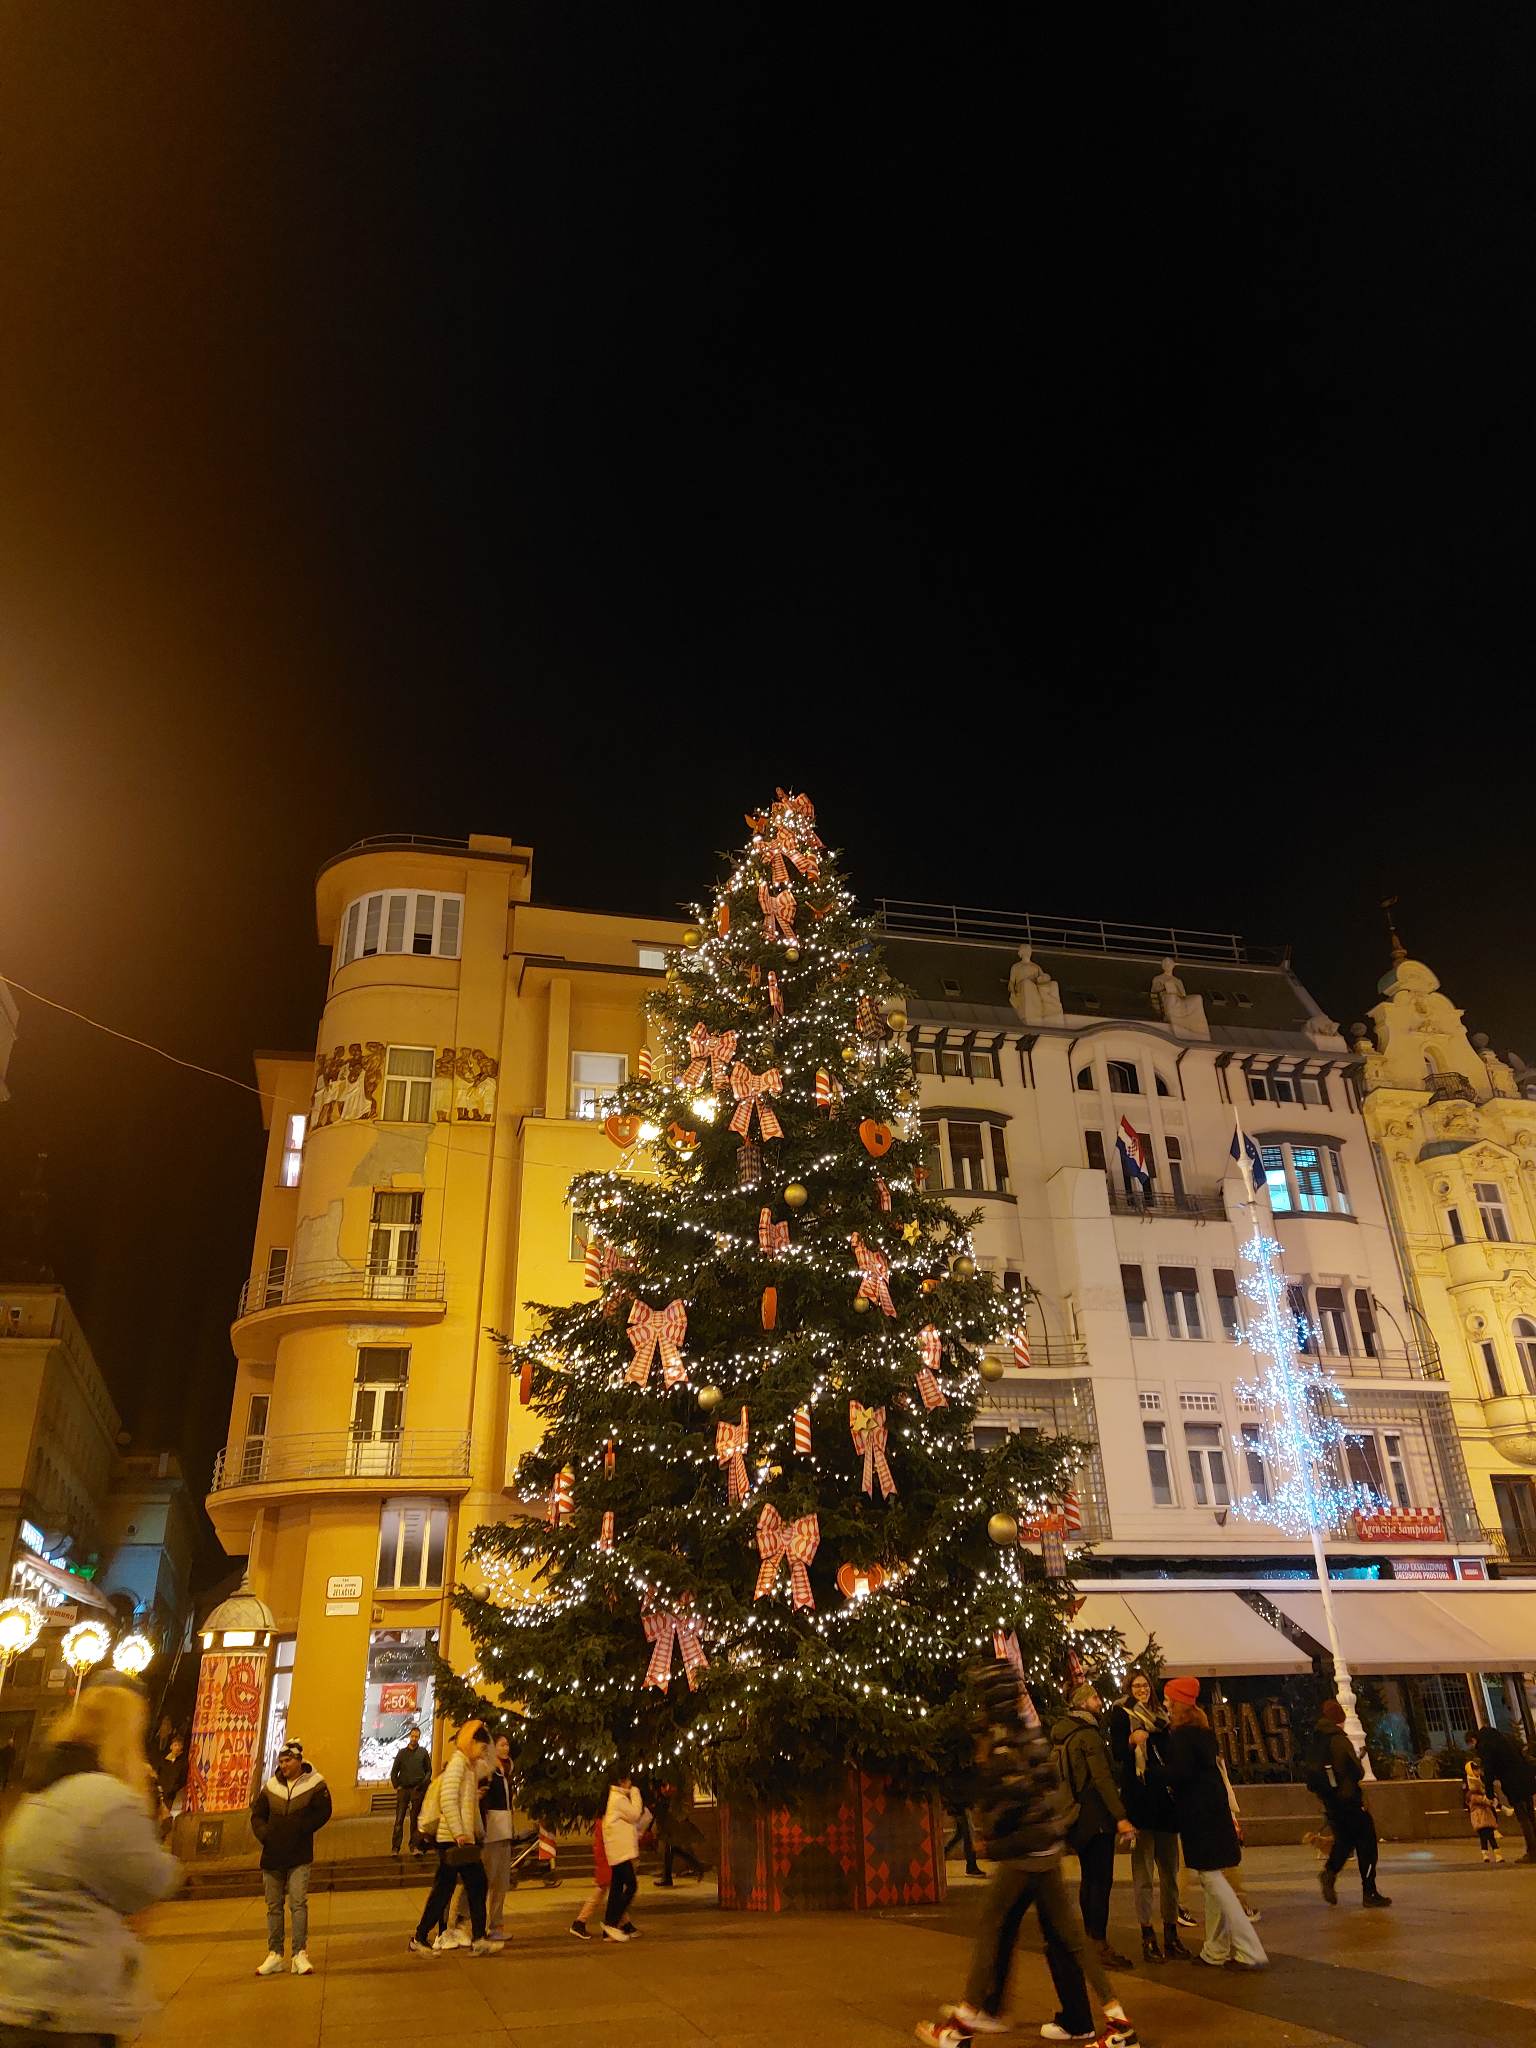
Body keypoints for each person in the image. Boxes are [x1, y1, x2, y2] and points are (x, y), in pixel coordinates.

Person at [914, 1659, 1138, 2048]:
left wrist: (993, 1839)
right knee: (1072, 1938)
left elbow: (1009, 1800)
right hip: (1046, 1848)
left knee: (991, 1928)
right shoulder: (1030, 1731)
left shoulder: (1000, 1738)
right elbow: (1048, 1781)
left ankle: (961, 2026)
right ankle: (1118, 2021)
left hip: (1023, 1853)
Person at [0, 1679, 183, 2041]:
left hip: (16, 1994)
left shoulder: (38, 1796)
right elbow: (151, 1880)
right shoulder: (107, 1798)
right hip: (71, 2003)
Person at [1163, 1687, 1266, 1971]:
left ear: (1178, 1705)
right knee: (1213, 1883)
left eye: (1168, 1699)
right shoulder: (1205, 1735)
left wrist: (1153, 1773)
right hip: (1214, 1813)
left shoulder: (1182, 1737)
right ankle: (1215, 1950)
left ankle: (1249, 1949)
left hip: (1198, 1817)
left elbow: (1179, 1774)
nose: (1166, 1704)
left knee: (1213, 1882)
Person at [1050, 1681, 1136, 1968]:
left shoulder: (1062, 1733)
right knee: (1101, 1881)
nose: (1100, 1702)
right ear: (1083, 1703)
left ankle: (1090, 1940)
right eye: (1095, 1698)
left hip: (1076, 1815)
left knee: (1089, 1880)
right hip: (1096, 1816)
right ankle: (1098, 1944)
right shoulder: (1088, 1735)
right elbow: (1101, 1779)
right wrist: (1121, 1816)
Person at [1108, 1672, 1188, 1963]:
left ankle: (1171, 1934)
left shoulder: (1162, 1716)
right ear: (1128, 1689)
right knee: (1143, 1876)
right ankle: (1147, 1936)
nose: (1141, 1689)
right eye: (1136, 1686)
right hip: (1140, 1801)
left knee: (1170, 1873)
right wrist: (1131, 1741)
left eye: (1144, 1685)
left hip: (1166, 1804)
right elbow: (1117, 1754)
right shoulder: (1121, 1714)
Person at [409, 1721, 503, 1956]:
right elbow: (448, 1800)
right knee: (476, 1883)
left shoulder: (469, 1767)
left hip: (459, 1838)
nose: (483, 1752)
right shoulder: (458, 1765)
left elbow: (488, 1768)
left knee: (446, 1888)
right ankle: (478, 1938)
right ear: (471, 1743)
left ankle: (420, 1937)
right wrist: (460, 1832)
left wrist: (487, 1737)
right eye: (481, 1746)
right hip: (452, 1838)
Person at [251, 1739, 333, 1976]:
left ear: (299, 1760)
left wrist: (301, 1828)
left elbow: (324, 1811)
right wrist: (265, 1834)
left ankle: (299, 1953)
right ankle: (275, 1954)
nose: (284, 1765)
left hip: (299, 1854)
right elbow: (257, 1816)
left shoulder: (314, 1784)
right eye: (281, 1761)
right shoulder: (271, 1787)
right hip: (272, 1855)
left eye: (288, 1761)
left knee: (298, 1904)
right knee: (273, 1907)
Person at [1305, 1698, 1391, 1908]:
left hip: (1331, 1803)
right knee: (1367, 1843)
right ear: (1339, 1719)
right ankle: (1369, 1891)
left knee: (1344, 1841)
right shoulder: (1339, 1739)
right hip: (1349, 1800)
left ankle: (1329, 1872)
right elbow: (1356, 1771)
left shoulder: (1318, 1740)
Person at [1472, 1722, 1536, 1864]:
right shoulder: (1506, 1740)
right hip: (1526, 1779)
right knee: (1531, 1816)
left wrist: (1489, 1793)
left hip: (1513, 1783)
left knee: (1523, 1818)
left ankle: (1532, 1852)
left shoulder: (1486, 1746)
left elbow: (1489, 1770)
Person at [600, 1770, 651, 1942]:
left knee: (616, 1888)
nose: (630, 1784)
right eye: (629, 1781)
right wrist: (636, 1793)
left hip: (618, 1851)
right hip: (620, 1852)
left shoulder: (615, 1798)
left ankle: (609, 1927)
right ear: (623, 1782)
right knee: (631, 1885)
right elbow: (635, 1814)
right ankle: (612, 1923)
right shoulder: (619, 1799)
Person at [482, 1734, 516, 1936]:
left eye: (507, 1744)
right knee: (485, 1880)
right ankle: (463, 1921)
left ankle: (496, 1925)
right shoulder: (487, 1771)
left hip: (504, 1831)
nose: (506, 1748)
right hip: (491, 1832)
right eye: (502, 1744)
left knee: (501, 1883)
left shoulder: (506, 1772)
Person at [653, 1780, 709, 1886]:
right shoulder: (665, 1799)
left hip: (671, 1831)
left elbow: (666, 1817)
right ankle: (696, 1867)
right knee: (673, 1851)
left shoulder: (668, 1799)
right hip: (670, 1830)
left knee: (672, 1851)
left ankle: (696, 1867)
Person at [569, 1808, 611, 1939]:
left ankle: (580, 1922)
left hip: (606, 1862)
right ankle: (580, 1922)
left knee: (603, 1893)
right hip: (607, 1863)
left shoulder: (603, 1821)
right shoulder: (606, 1822)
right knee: (604, 1893)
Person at [390, 1725, 432, 1854]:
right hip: (404, 1789)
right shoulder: (402, 1753)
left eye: (416, 1736)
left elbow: (428, 1770)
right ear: (409, 1736)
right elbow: (394, 1771)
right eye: (412, 1736)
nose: (414, 1739)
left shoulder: (423, 1753)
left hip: (416, 1789)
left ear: (419, 1737)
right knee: (399, 1819)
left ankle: (414, 1846)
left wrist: (422, 1784)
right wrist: (397, 1785)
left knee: (414, 1819)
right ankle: (395, 1847)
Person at [1465, 1757, 1505, 1865]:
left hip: (1485, 1816)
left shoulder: (1479, 1783)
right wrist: (1488, 1800)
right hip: (1479, 1817)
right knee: (1486, 1836)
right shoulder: (1471, 1789)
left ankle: (1489, 1855)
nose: (1478, 1771)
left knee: (1487, 1836)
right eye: (1475, 1769)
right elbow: (1476, 1799)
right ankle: (1494, 1855)